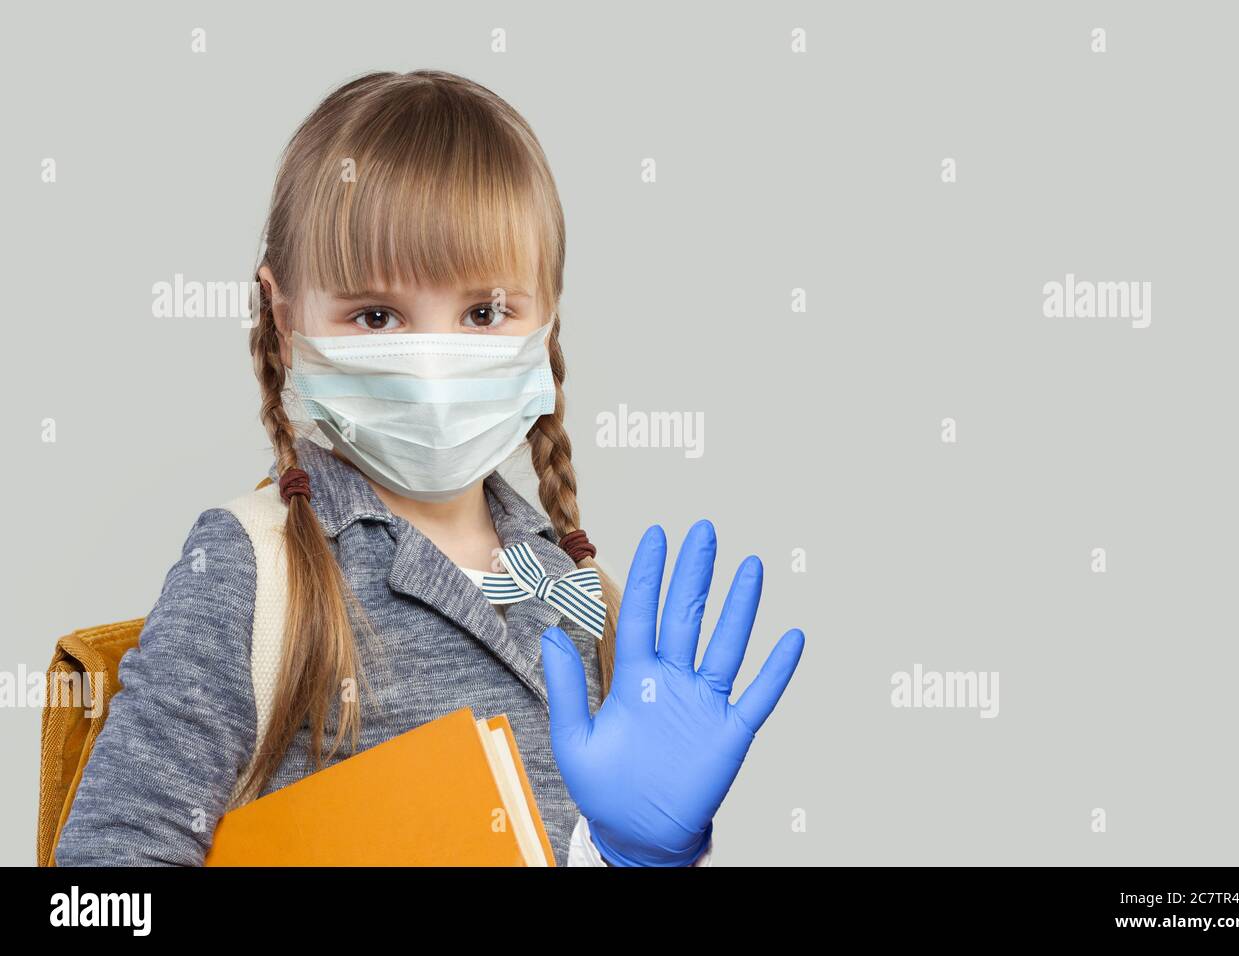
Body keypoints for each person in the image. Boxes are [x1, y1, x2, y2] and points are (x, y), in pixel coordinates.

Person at [55, 70, 805, 867]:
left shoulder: (586, 600)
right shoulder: (251, 571)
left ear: (546, 315)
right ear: (282, 314)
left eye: (484, 313)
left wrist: (636, 856)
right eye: (376, 316)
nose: (434, 364)